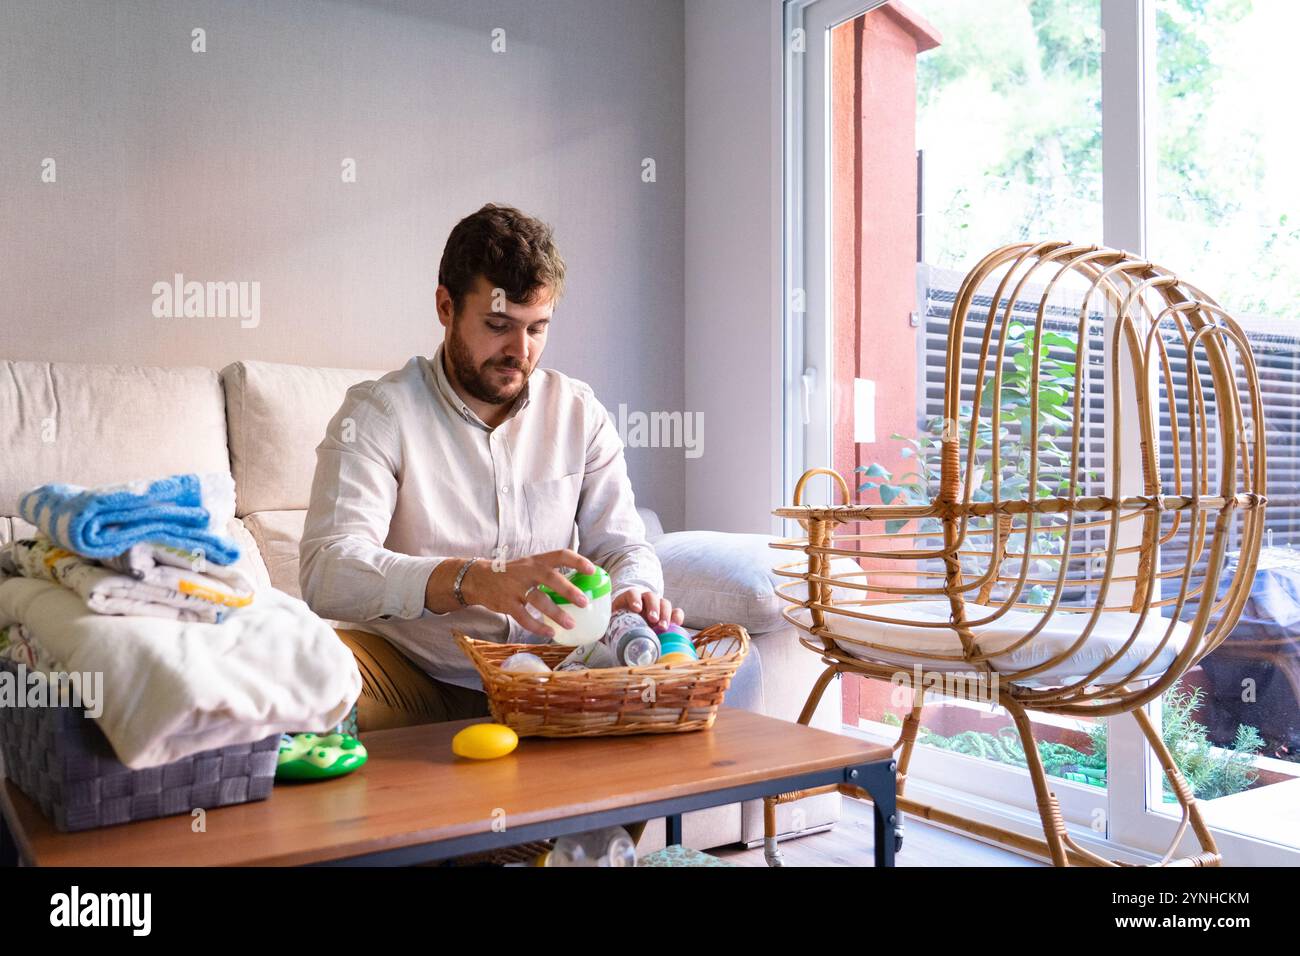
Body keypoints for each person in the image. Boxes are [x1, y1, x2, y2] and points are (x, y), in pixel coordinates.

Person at [300, 201, 685, 738]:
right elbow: (329, 569)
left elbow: (622, 547)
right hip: (416, 675)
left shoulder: (578, 413)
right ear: (445, 306)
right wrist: (472, 580)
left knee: (671, 682)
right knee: (299, 671)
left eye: (537, 329)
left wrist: (631, 590)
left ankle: (598, 825)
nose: (520, 351)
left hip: (554, 676)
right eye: (499, 325)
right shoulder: (378, 414)